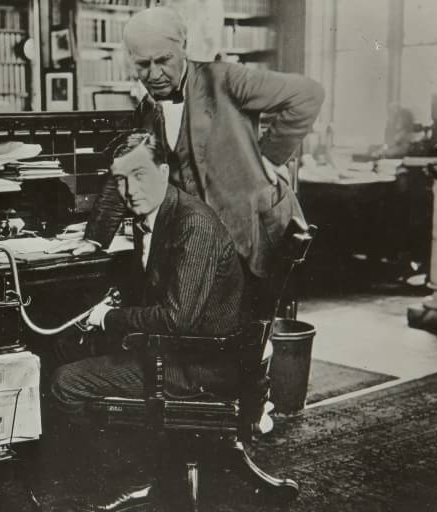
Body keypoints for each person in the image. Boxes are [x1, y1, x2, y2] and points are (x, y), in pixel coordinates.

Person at [50, 131, 250, 511]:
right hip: (179, 351)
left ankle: (128, 477)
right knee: (63, 347)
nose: (129, 190)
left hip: (198, 366)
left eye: (140, 175)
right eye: (121, 179)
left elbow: (177, 319)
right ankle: (128, 463)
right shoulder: (160, 214)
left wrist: (110, 317)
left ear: (163, 170)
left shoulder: (194, 224)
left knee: (65, 384)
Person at [49, 6, 324, 283]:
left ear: (184, 48)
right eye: (143, 65)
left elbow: (308, 94)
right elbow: (125, 173)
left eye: (163, 60)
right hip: (203, 245)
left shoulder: (225, 79)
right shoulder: (146, 109)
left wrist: (270, 156)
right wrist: (94, 239)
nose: (154, 74)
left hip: (256, 231)